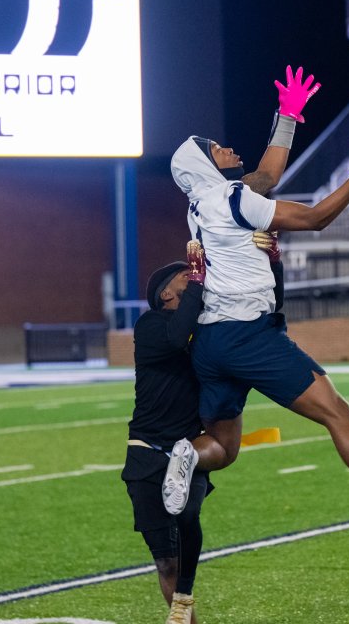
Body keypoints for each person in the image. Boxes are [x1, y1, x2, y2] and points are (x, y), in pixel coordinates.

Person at [163, 66, 349, 541]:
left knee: (223, 446)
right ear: (201, 165)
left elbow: (266, 176)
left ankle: (188, 453)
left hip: (211, 341)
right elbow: (317, 218)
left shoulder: (200, 205)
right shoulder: (232, 198)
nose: (227, 148)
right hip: (247, 334)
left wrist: (288, 118)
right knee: (338, 412)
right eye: (216, 148)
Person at [124, 233, 285, 624]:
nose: (196, 275)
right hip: (148, 453)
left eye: (195, 272)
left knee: (188, 520)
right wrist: (196, 283)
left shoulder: (209, 326)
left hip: (190, 448)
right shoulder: (151, 324)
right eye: (186, 275)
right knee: (166, 560)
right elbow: (178, 338)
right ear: (165, 293)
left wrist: (273, 264)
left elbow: (268, 307)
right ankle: (184, 610)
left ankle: (183, 599)